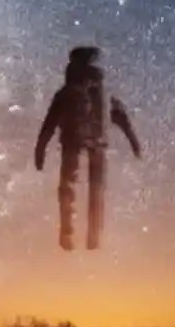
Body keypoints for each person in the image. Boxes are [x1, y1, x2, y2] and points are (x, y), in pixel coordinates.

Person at [34, 46, 141, 251]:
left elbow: (49, 123)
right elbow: (122, 120)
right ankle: (93, 239)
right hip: (98, 143)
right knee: (96, 191)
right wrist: (134, 143)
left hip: (72, 141)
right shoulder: (105, 92)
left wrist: (40, 148)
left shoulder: (66, 92)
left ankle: (68, 234)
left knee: (68, 186)